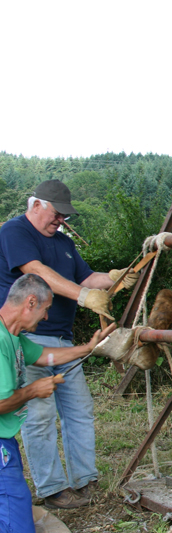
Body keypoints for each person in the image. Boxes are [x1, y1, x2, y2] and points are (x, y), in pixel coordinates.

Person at [0, 180, 139, 509]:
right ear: (36, 205)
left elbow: (88, 279)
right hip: (27, 338)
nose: (61, 220)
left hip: (63, 338)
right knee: (40, 414)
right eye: (57, 213)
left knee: (80, 410)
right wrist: (84, 296)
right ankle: (52, 489)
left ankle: (85, 480)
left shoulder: (63, 242)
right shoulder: (13, 231)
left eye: (64, 216)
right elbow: (35, 271)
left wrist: (117, 277)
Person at [0, 274, 115, 531]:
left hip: (5, 442)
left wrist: (89, 347)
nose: (47, 317)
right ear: (31, 302)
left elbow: (44, 355)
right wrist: (33, 390)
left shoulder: (13, 337)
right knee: (17, 522)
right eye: (46, 309)